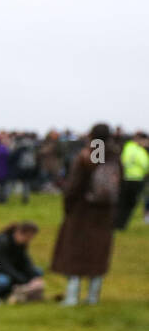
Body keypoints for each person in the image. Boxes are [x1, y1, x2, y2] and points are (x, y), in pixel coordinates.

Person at [52, 123, 120, 306]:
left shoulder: (90, 155)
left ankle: (72, 296)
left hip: (83, 211)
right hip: (105, 213)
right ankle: (92, 296)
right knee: (98, 254)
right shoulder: (115, 155)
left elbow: (74, 187)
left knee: (77, 253)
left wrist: (68, 206)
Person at [0, 222, 45, 302]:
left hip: (9, 272)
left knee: (38, 271)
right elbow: (4, 266)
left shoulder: (21, 244)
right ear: (19, 233)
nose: (28, 240)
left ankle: (16, 292)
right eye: (28, 237)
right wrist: (23, 281)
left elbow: (26, 262)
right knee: (2, 281)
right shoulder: (0, 242)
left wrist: (35, 277)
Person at [115, 131, 147, 230]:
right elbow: (145, 164)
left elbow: (122, 161)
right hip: (136, 179)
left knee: (121, 202)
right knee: (130, 204)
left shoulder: (127, 148)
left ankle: (116, 223)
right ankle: (122, 225)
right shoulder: (139, 150)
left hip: (125, 178)